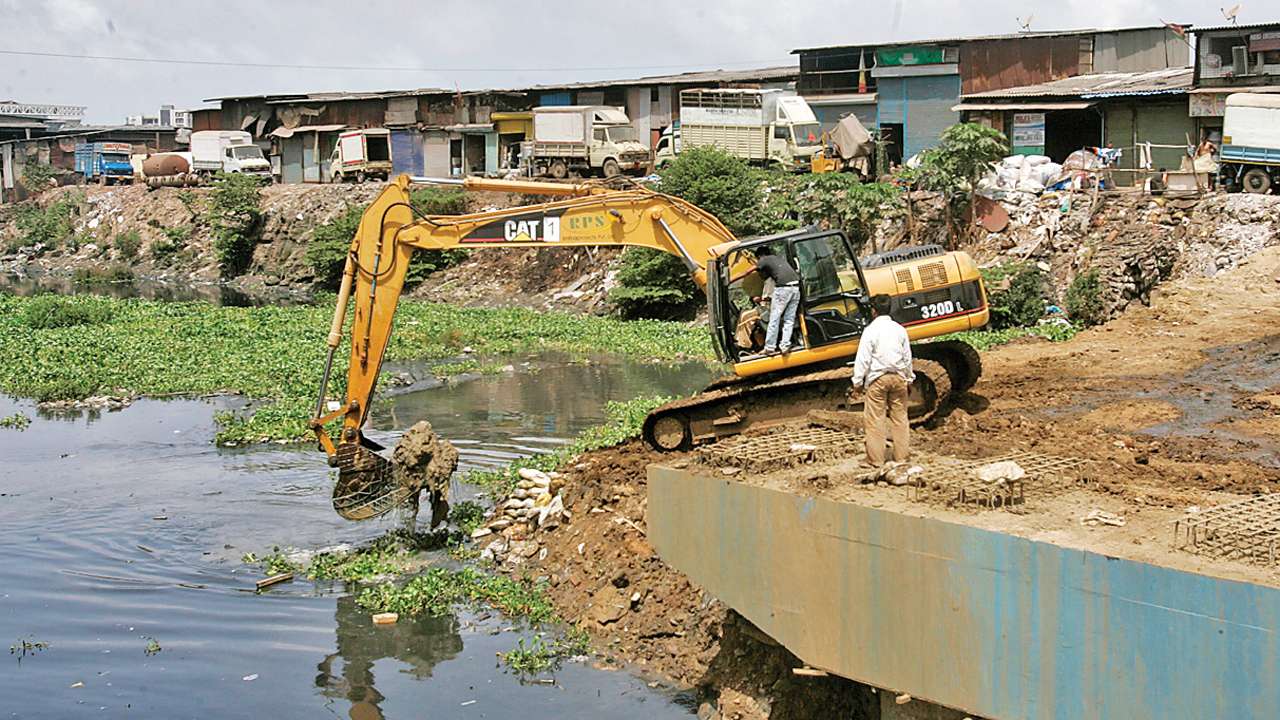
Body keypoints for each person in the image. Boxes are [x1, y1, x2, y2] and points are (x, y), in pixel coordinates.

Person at [850, 294, 913, 466]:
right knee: (900, 419)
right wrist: (909, 378)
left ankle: (876, 460)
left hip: (878, 380)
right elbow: (907, 358)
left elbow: (863, 359)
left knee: (875, 420)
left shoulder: (870, 331)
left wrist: (857, 383)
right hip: (899, 378)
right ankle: (902, 458)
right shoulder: (900, 329)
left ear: (873, 310)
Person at [732, 246, 800, 356]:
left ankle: (768, 348)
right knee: (789, 319)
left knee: (774, 318)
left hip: (784, 289)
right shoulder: (778, 260)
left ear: (759, 256)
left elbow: (746, 272)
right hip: (795, 288)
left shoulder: (764, 260)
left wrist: (728, 281)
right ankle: (785, 345)